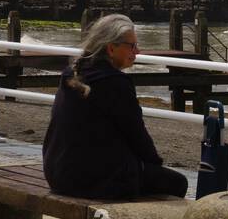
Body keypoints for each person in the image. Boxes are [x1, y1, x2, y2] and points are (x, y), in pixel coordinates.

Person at [43, 14, 188, 199]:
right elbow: (136, 133)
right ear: (111, 49)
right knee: (177, 183)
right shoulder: (115, 82)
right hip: (89, 180)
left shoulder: (71, 73)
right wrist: (154, 164)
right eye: (132, 46)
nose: (138, 51)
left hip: (57, 171)